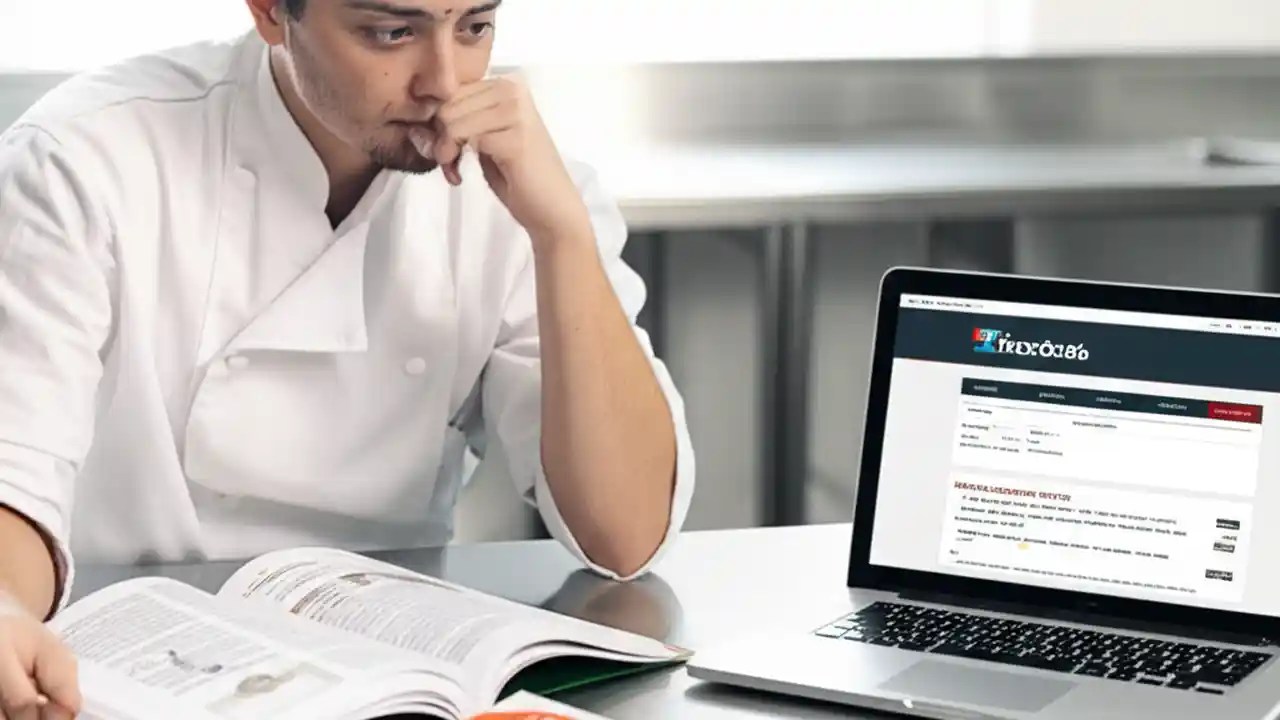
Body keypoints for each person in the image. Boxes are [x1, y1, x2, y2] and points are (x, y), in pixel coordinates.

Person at [0, 0, 696, 715]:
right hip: (119, 669)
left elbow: (625, 538)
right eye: (392, 33)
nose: (446, 85)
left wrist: (562, 238)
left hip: (391, 677)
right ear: (271, 12)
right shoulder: (84, 157)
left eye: (475, 28)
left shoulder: (519, 183)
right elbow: (14, 471)